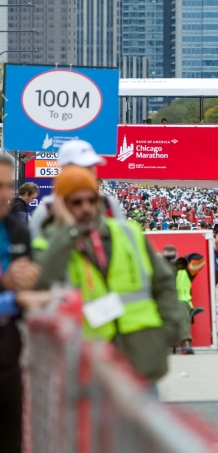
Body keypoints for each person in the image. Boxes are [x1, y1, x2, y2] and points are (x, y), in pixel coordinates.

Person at [34, 166, 183, 384]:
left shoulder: (128, 232)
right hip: (86, 364)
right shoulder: (47, 244)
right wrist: (69, 231)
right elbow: (44, 279)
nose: (86, 208)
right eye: (76, 202)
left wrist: (169, 330)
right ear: (61, 205)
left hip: (141, 356)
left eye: (91, 200)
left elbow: (163, 282)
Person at [0, 153, 46, 453]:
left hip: (7, 354)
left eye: (8, 186)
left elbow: (31, 279)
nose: (5, 194)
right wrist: (10, 288)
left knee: (11, 437)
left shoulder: (16, 229)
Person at [30, 139, 126, 241]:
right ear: (64, 168)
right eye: (82, 167)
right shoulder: (46, 210)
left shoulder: (109, 204)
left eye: (91, 166)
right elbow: (37, 253)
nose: (89, 172)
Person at [161, 245, 206, 355]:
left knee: (180, 306)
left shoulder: (186, 270)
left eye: (173, 257)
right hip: (161, 303)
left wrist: (184, 259)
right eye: (168, 258)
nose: (170, 260)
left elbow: (200, 259)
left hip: (181, 302)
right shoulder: (157, 269)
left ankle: (186, 343)